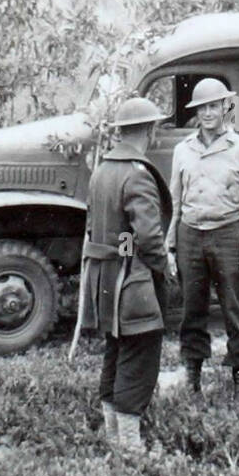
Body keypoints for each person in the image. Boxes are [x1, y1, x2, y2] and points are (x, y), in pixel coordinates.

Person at [80, 96, 171, 454]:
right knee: (141, 355)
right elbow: (148, 237)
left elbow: (95, 225)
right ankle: (130, 446)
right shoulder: (137, 174)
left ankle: (112, 435)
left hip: (104, 280)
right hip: (132, 282)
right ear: (149, 130)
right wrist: (163, 267)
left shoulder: (103, 169)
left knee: (116, 352)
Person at [166, 78, 239, 397]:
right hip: (190, 235)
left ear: (225, 107)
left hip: (229, 235)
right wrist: (171, 246)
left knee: (235, 308)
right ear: (195, 112)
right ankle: (192, 375)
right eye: (202, 108)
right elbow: (175, 200)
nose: (208, 113)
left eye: (214, 106)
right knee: (191, 309)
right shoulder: (183, 150)